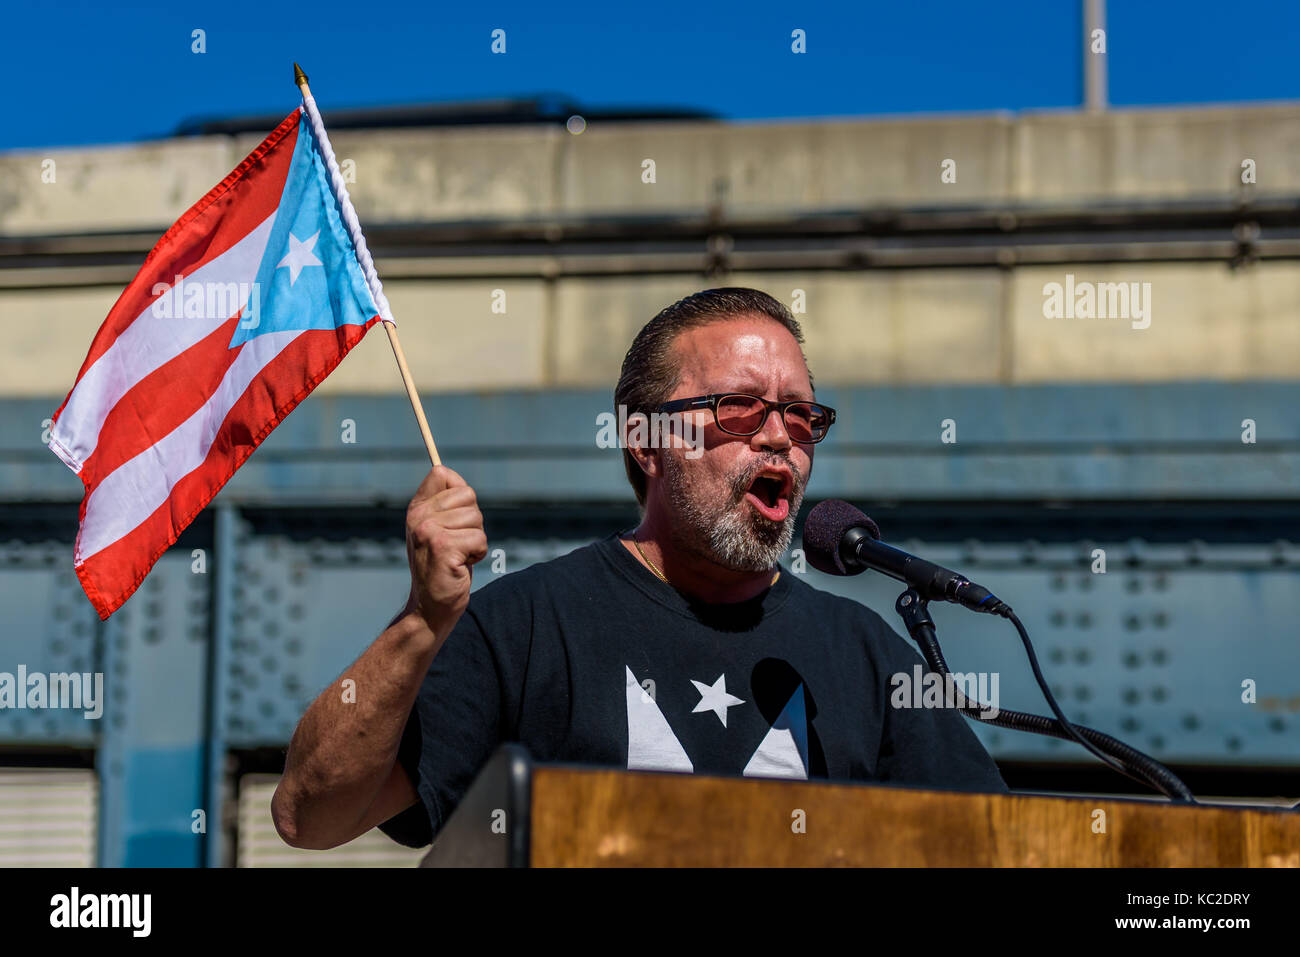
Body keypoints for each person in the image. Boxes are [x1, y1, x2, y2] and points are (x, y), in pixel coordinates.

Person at [271, 287, 1006, 851]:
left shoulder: (863, 653)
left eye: (800, 414)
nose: (780, 436)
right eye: (739, 408)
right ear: (646, 441)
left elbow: (996, 847)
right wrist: (421, 622)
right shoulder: (525, 625)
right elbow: (310, 815)